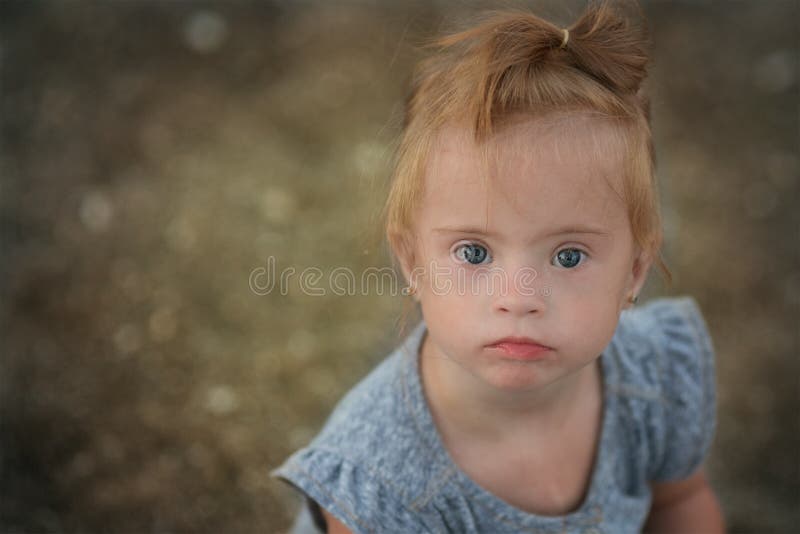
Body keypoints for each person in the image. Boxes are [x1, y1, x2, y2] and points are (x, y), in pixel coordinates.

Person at [271, 2, 726, 532]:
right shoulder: (380, 480)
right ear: (413, 262)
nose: (519, 297)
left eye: (568, 255)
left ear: (635, 270)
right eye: (474, 252)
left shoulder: (655, 376)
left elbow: (678, 504)